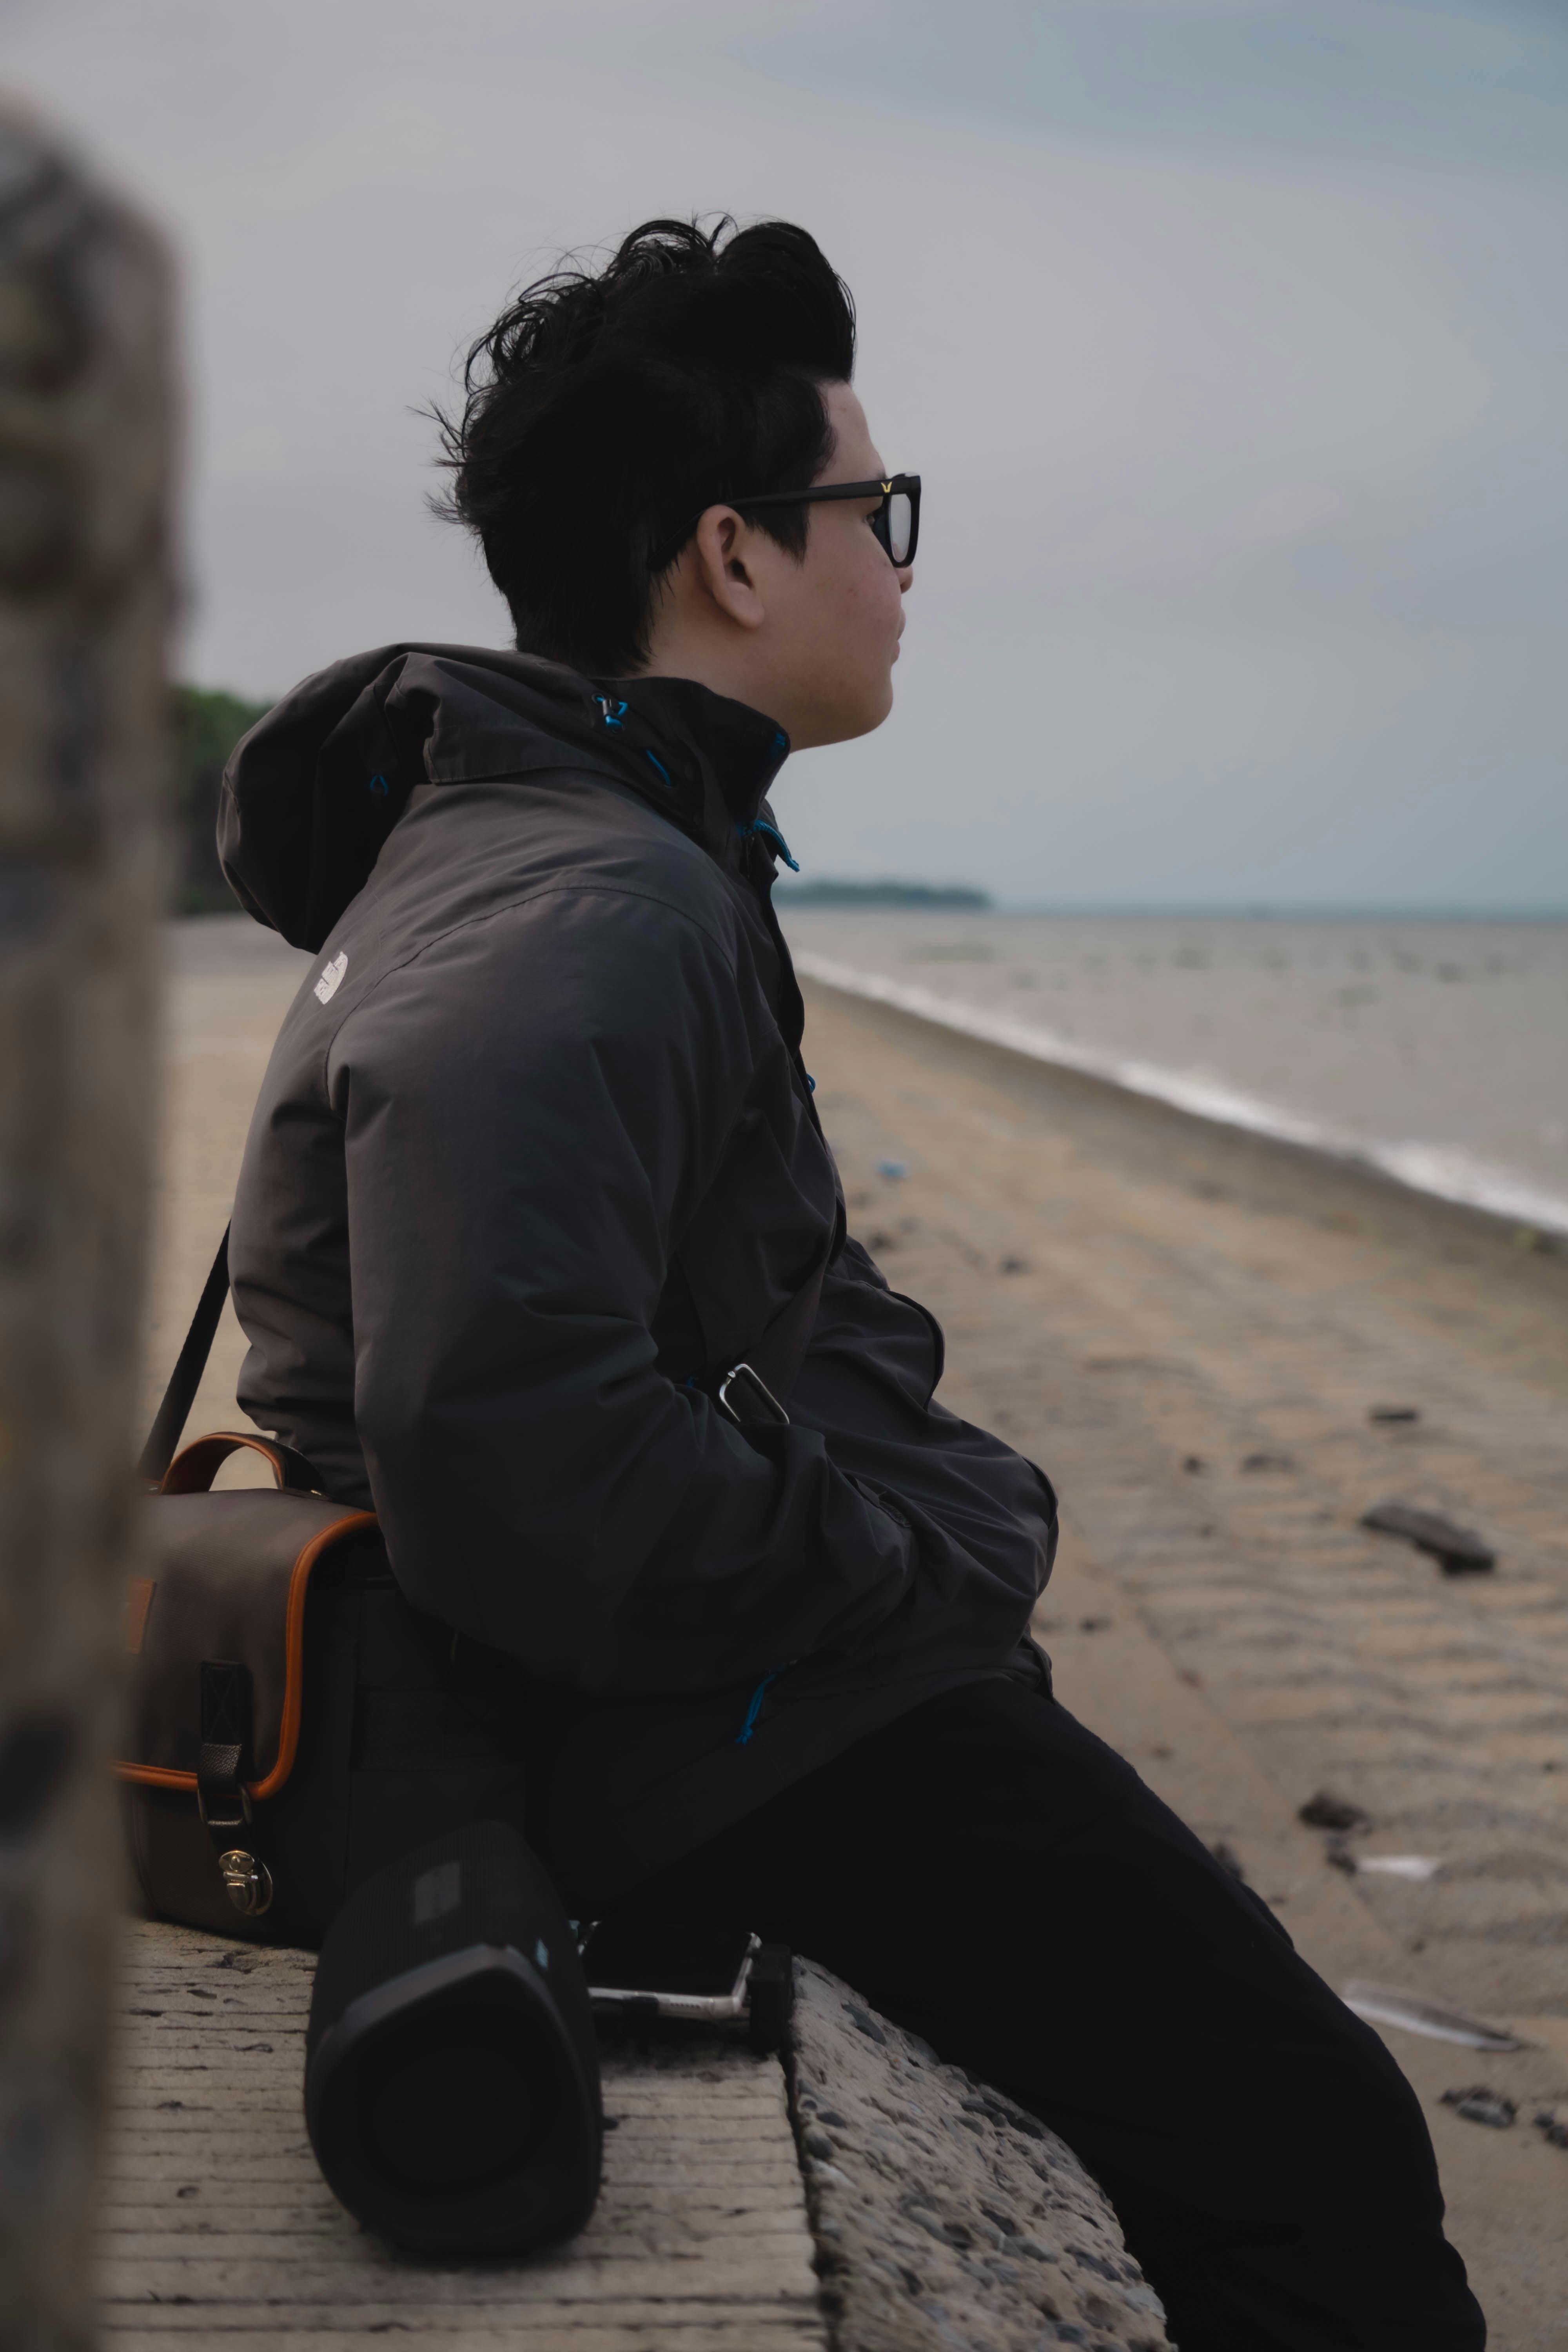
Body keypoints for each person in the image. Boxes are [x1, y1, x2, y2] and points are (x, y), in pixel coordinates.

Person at [222, 217, 1483, 2350]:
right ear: (735, 553)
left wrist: (938, 1505)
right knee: (1321, 2148)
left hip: (698, 1678)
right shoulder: (597, 901)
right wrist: (882, 1561)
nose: (901, 564)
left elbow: (725, 1301)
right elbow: (495, 1431)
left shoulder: (576, 838)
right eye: (872, 511)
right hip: (703, 1728)